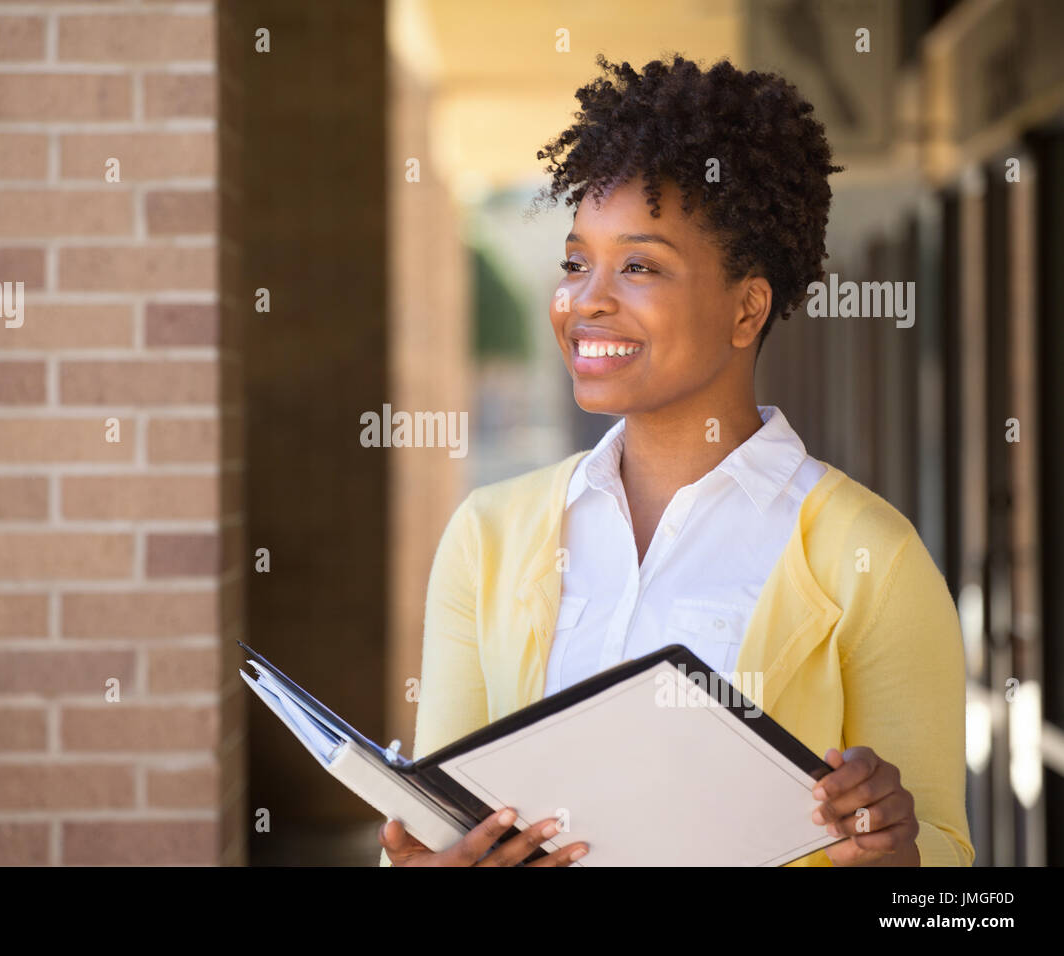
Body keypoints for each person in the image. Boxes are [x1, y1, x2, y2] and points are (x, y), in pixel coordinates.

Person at [379, 54, 972, 867]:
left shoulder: (872, 559)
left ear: (746, 307)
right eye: (576, 261)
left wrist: (891, 853)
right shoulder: (485, 538)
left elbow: (946, 897)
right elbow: (431, 832)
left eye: (640, 265)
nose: (587, 299)